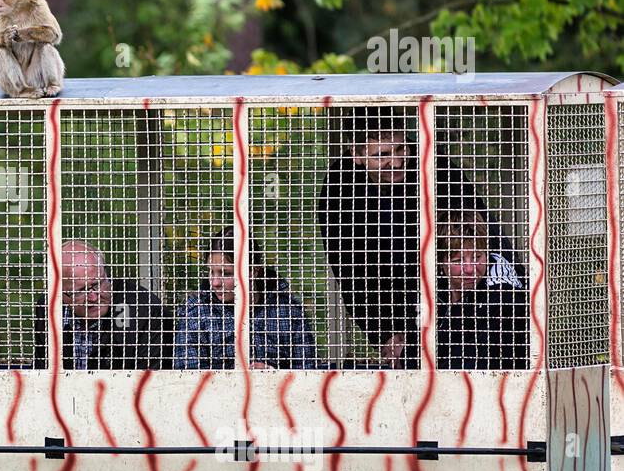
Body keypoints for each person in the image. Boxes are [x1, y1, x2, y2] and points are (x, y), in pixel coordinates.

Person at [316, 106, 517, 368]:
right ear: (357, 155)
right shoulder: (338, 190)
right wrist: (385, 334)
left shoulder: (433, 164)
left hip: (448, 278)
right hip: (384, 280)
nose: (397, 162)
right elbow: (352, 273)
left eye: (401, 149)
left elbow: (479, 226)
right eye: (383, 155)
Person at [173, 228, 319, 370]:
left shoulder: (287, 311)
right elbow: (188, 377)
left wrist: (273, 376)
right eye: (211, 271)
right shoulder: (197, 312)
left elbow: (308, 371)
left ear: (253, 271)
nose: (215, 282)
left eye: (226, 273)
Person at [32, 240, 174, 370]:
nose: (93, 297)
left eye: (97, 284)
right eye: (80, 292)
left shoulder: (144, 309)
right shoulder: (48, 308)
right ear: (60, 293)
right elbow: (42, 372)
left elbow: (152, 383)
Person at [435, 210, 528, 370]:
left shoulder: (502, 296)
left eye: (477, 257)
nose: (470, 268)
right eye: (458, 260)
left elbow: (477, 361)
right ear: (440, 262)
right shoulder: (432, 285)